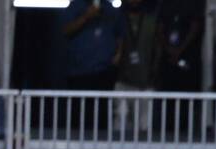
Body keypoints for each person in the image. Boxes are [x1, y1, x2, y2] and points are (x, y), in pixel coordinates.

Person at [113, 0, 162, 137]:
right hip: (122, 81)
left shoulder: (151, 21)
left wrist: (154, 75)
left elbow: (158, 49)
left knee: (144, 126)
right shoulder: (117, 19)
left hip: (146, 83)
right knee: (120, 123)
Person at [59, 0, 124, 91]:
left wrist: (119, 53)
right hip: (79, 72)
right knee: (80, 104)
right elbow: (65, 30)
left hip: (105, 71)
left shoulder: (111, 9)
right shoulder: (75, 6)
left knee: (103, 104)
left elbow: (121, 34)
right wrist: (86, 17)